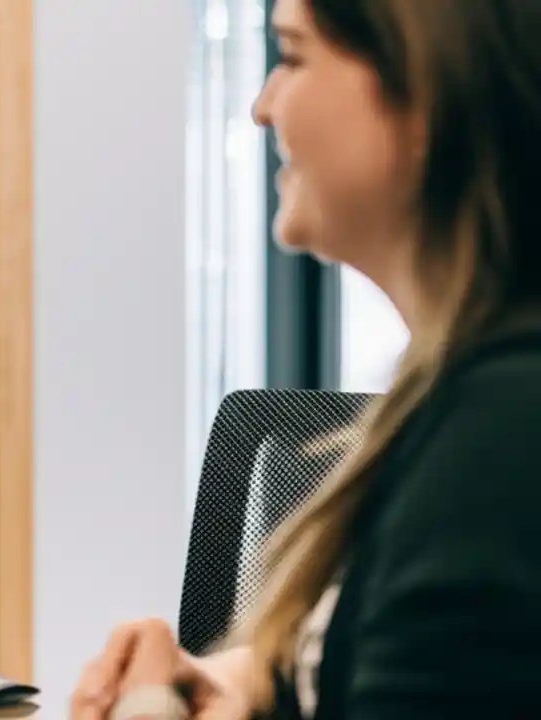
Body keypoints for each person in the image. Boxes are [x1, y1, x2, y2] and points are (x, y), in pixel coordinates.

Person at [73, 0, 541, 718]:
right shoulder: (467, 394)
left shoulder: (500, 436)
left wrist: (147, 710)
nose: (263, 108)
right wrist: (254, 686)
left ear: (426, 92)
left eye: (292, 56)